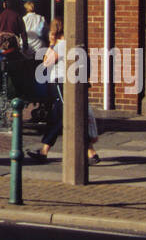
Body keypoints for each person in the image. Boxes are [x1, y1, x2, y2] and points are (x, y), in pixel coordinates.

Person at [29, 17, 99, 164]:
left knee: (67, 117)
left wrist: (51, 44)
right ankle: (46, 150)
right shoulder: (75, 44)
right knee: (59, 117)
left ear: (54, 30)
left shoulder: (61, 46)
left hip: (61, 83)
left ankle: (90, 152)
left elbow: (46, 62)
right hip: (69, 82)